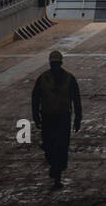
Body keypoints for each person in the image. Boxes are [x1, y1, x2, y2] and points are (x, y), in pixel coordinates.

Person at [31, 50, 82, 189]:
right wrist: (36, 116)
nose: (55, 67)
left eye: (56, 64)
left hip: (62, 118)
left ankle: (57, 173)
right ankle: (55, 168)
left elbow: (76, 100)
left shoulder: (68, 79)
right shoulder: (43, 79)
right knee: (49, 146)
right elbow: (35, 98)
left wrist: (78, 118)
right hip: (48, 118)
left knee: (61, 147)